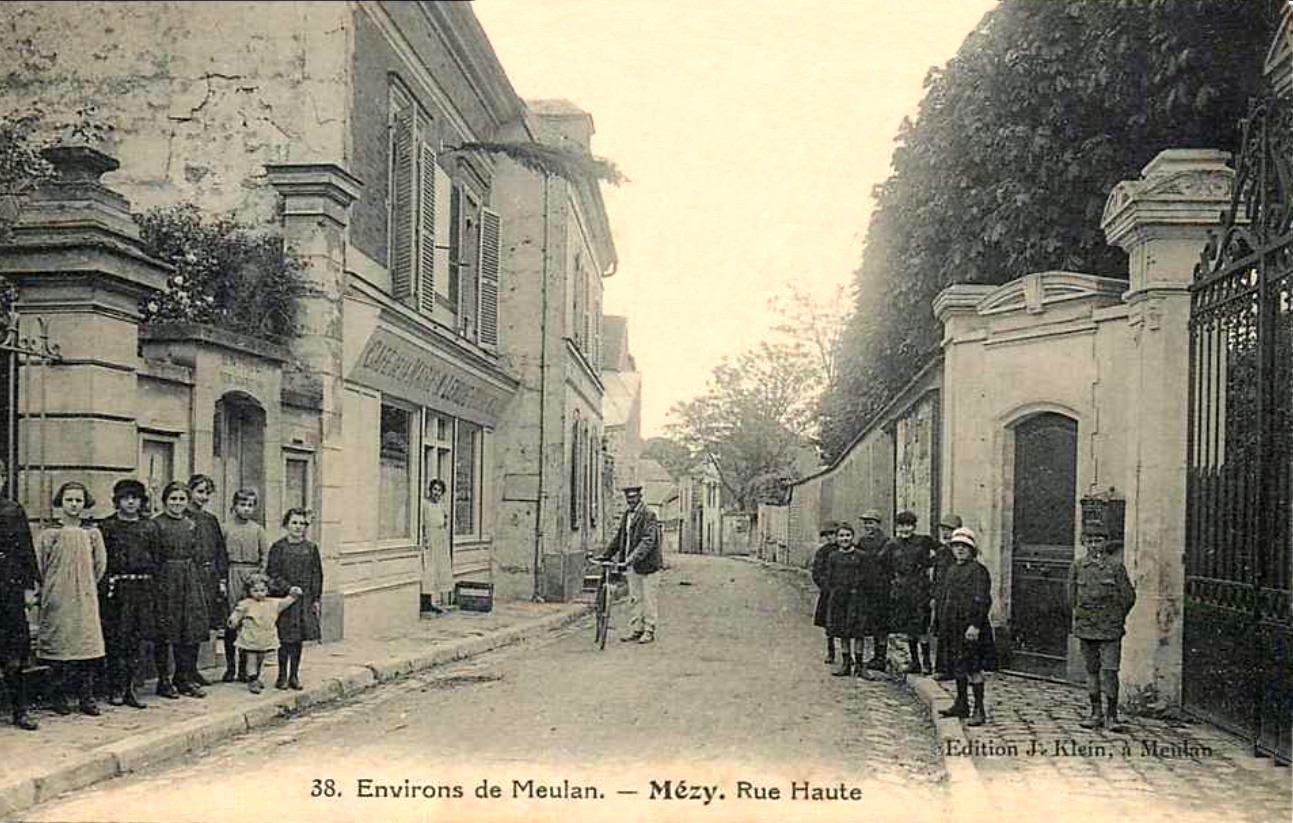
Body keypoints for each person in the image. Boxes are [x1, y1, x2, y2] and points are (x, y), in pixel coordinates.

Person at [36, 481, 107, 716]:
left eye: (78, 500)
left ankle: (86, 697)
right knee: (60, 643)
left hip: (84, 594)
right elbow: (40, 565)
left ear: (84, 503)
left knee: (84, 643)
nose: (74, 505)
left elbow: (100, 566)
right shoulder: (49, 533)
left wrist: (86, 586)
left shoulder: (92, 534)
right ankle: (59, 696)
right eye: (69, 500)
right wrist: (50, 589)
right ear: (61, 503)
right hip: (57, 595)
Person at [1069, 522, 1136, 732]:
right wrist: (1081, 616)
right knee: (1091, 671)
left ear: (1105, 543)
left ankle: (1112, 715)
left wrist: (1116, 618)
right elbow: (1071, 597)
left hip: (1109, 628)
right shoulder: (1078, 567)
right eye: (1090, 541)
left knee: (1109, 671)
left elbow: (1128, 597)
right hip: (1086, 625)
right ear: (1084, 543)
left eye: (1098, 541)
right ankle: (1095, 712)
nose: (1094, 545)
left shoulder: (1116, 567)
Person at [97, 479, 159, 709]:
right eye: (125, 497)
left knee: (136, 640)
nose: (130, 502)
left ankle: (131, 687)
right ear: (117, 501)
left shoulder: (149, 527)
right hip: (117, 589)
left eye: (135, 497)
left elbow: (157, 558)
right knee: (115, 639)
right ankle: (115, 687)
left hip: (142, 588)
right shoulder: (107, 527)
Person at [152, 481, 211, 699]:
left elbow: (197, 553)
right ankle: (163, 680)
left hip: (189, 578)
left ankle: (183, 677)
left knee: (190, 629)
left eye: (181, 499)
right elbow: (154, 556)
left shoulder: (190, 524)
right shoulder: (156, 524)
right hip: (166, 580)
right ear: (165, 500)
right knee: (167, 631)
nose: (177, 503)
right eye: (173, 499)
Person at [937, 527, 994, 726]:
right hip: (953, 625)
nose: (960, 550)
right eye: (956, 546)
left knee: (974, 668)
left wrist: (975, 625)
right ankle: (961, 704)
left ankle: (979, 709)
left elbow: (983, 599)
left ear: (972, 549)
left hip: (971, 627)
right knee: (958, 665)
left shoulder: (978, 571)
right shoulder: (952, 569)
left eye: (964, 547)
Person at [596, 485, 662, 644]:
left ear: (640, 497)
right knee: (635, 598)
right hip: (632, 565)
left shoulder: (649, 515)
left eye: (633, 498)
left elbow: (647, 541)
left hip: (649, 566)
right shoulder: (627, 515)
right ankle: (637, 629)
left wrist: (631, 558)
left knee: (648, 599)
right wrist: (606, 555)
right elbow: (620, 538)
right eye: (628, 498)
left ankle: (649, 630)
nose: (630, 501)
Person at [266, 508, 323, 690]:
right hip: (285, 599)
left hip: (304, 600)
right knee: (284, 638)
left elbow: (317, 574)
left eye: (301, 524)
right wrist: (288, 588)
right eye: (294, 523)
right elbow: (272, 573)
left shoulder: (311, 548)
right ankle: (281, 675)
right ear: (286, 525)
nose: (298, 527)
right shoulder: (278, 547)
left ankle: (294, 675)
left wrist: (315, 597)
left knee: (298, 639)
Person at [0, 466, 39, 730]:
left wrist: (28, 588)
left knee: (14, 652)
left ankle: (20, 710)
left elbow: (26, 550)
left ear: (3, 479)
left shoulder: (13, 511)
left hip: (8, 587)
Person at [227, 572, 302, 694]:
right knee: (251, 658)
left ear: (267, 590)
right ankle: (252, 679)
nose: (259, 593)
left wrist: (293, 596)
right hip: (251, 637)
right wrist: (233, 620)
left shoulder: (272, 603)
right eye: (255, 590)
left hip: (265, 637)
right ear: (249, 591)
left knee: (261, 659)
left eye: (262, 590)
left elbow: (284, 603)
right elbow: (238, 612)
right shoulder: (247, 603)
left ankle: (258, 677)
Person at [222, 489, 268, 682]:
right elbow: (220, 555)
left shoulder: (258, 530)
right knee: (232, 622)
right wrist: (222, 580)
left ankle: (245, 668)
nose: (246, 509)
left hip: (252, 577)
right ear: (234, 506)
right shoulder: (225, 528)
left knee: (251, 622)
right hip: (232, 573)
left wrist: (259, 578)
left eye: (250, 505)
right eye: (242, 504)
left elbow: (265, 556)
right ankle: (230, 667)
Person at [187, 474, 228, 686]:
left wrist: (221, 578)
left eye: (206, 493)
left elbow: (220, 550)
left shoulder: (210, 520)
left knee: (201, 626)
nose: (203, 497)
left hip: (207, 577)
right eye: (199, 491)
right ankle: (183, 671)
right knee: (187, 625)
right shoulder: (183, 516)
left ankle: (193, 670)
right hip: (188, 577)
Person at [887, 510, 938, 674]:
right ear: (897, 527)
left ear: (914, 526)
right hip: (903, 591)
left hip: (920, 589)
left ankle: (926, 663)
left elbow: (942, 550)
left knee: (921, 627)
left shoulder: (923, 541)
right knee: (909, 629)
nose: (905, 529)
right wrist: (893, 579)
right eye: (901, 525)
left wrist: (928, 563)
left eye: (908, 525)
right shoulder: (893, 544)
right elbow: (881, 562)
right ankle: (914, 662)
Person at [824, 522, 865, 677]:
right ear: (837, 538)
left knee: (858, 631)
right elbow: (829, 577)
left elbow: (867, 576)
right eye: (841, 536)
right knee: (843, 632)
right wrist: (834, 591)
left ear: (852, 537)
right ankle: (846, 664)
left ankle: (860, 666)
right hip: (839, 598)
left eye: (847, 535)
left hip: (857, 597)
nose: (844, 538)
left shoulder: (861, 556)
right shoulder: (833, 556)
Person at [855, 509, 891, 673]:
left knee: (881, 624)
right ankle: (873, 657)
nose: (868, 526)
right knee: (869, 622)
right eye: (866, 523)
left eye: (871, 522)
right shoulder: (862, 541)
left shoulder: (886, 541)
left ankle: (881, 657)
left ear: (878, 524)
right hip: (866, 587)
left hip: (882, 587)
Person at [930, 513, 962, 681]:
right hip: (942, 595)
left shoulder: (961, 551)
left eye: (949, 530)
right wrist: (934, 596)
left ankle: (957, 668)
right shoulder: (942, 552)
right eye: (943, 529)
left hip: (956, 597)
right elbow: (936, 575)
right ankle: (943, 668)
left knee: (955, 632)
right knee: (943, 631)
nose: (946, 533)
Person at [419, 479, 451, 614]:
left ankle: (432, 601)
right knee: (428, 569)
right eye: (434, 489)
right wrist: (424, 538)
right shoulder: (425, 504)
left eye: (439, 490)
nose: (436, 493)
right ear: (430, 490)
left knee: (438, 569)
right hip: (429, 539)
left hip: (440, 540)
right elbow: (421, 523)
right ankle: (425, 602)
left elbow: (445, 520)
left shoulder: (441, 505)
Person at [810, 521, 840, 664]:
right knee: (829, 625)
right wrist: (825, 586)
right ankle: (831, 652)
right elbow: (816, 572)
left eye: (833, 534)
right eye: (827, 535)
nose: (830, 538)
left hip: (846, 593)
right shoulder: (822, 552)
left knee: (847, 624)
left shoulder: (847, 549)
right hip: (829, 593)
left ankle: (849, 655)